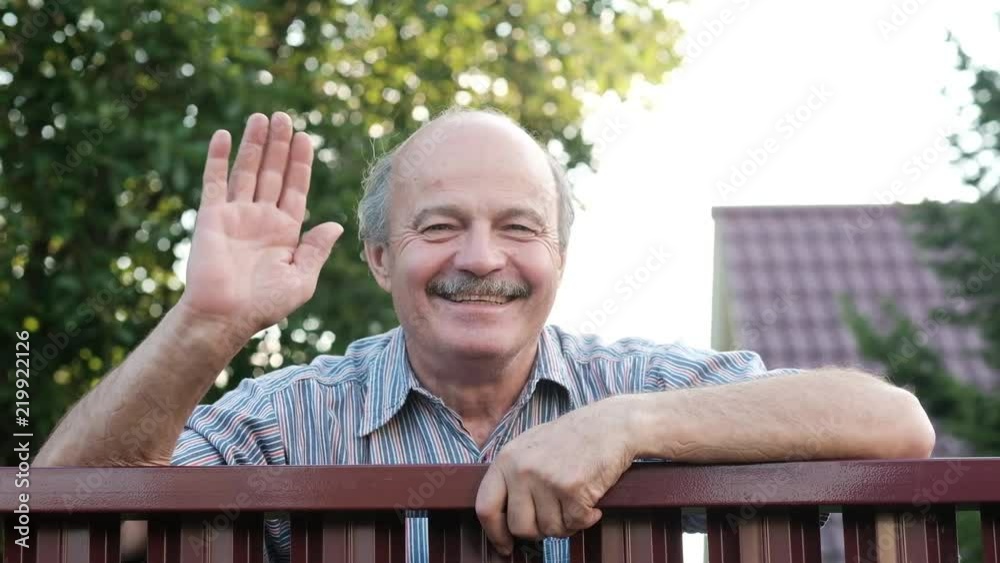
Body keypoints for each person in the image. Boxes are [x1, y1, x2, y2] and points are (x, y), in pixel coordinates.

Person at [35, 109, 936, 562]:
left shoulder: (635, 386)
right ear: (382, 258)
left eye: (517, 226)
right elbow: (51, 530)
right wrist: (203, 325)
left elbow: (894, 423)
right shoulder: (283, 415)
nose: (480, 257)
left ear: (559, 255)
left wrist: (626, 428)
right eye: (438, 227)